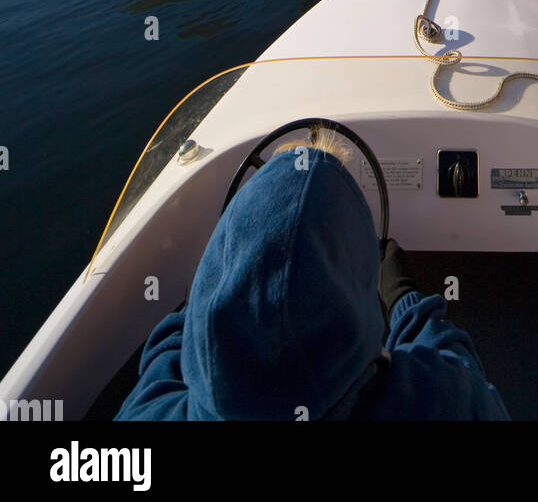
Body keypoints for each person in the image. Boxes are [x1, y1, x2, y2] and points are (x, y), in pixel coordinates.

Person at [115, 139, 510, 420]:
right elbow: (460, 366)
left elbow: (163, 359)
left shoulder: (149, 415)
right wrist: (405, 298)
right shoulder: (442, 402)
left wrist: (206, 294)